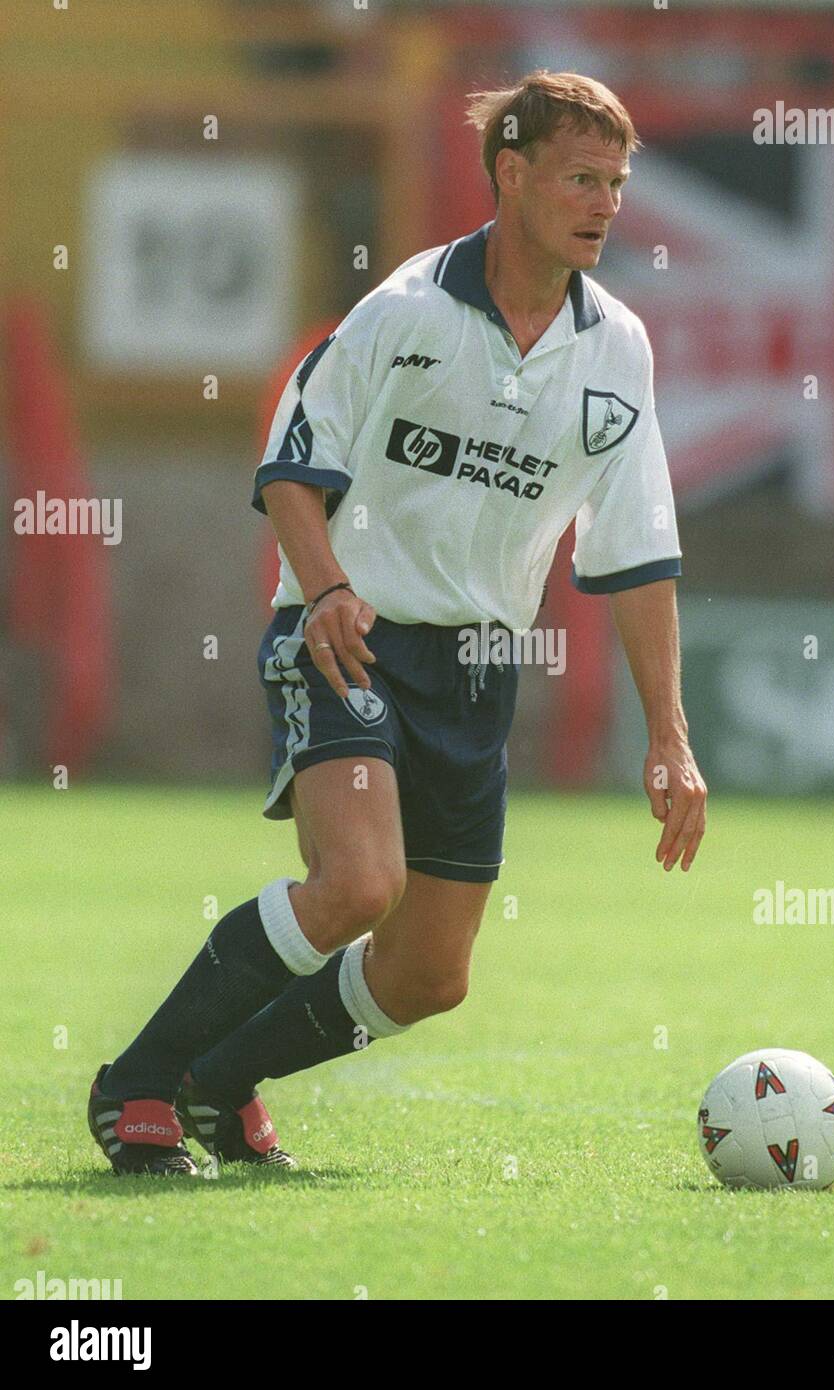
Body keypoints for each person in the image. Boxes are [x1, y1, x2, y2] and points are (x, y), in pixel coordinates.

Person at [88, 70, 707, 1176]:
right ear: (509, 175)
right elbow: (289, 470)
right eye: (580, 178)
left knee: (430, 975)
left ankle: (219, 1086)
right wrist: (323, 588)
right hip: (348, 637)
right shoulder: (406, 312)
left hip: (478, 669)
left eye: (616, 183)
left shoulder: (617, 349)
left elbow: (637, 554)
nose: (605, 203)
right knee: (358, 886)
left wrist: (668, 732)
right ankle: (136, 1084)